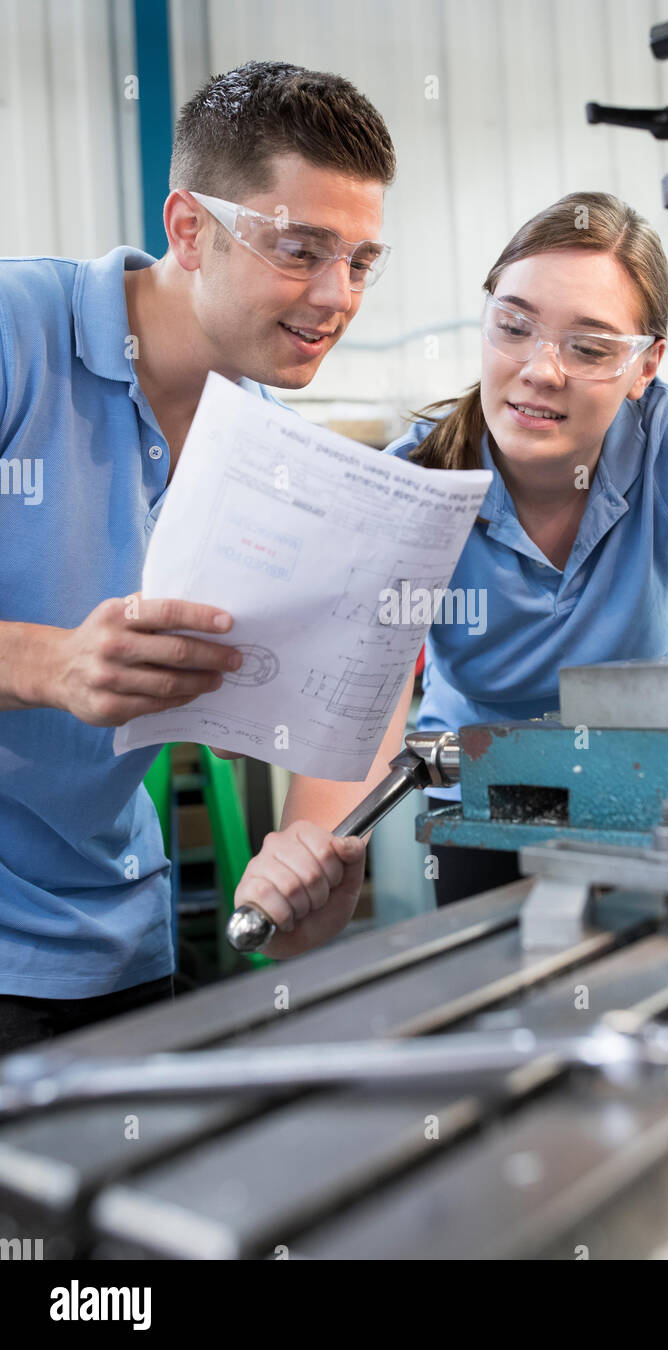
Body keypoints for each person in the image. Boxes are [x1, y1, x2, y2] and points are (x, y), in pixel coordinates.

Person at [234, 190, 668, 925]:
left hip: (649, 778)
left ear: (645, 365)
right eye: (515, 327)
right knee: (504, 989)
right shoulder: (418, 479)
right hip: (489, 792)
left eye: (590, 348)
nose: (541, 369)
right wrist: (305, 857)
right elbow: (362, 707)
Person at [0, 59, 395, 1052]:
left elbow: (332, 685)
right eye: (301, 249)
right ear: (189, 228)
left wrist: (313, 847)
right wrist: (50, 665)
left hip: (114, 943)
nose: (335, 297)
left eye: (360, 260)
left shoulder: (262, 445)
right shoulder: (17, 336)